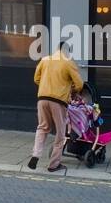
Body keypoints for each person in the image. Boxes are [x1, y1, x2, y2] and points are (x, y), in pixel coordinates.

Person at [28, 43, 84, 172]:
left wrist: (46, 86)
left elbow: (36, 79)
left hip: (42, 99)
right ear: (67, 51)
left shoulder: (45, 59)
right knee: (60, 133)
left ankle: (35, 155)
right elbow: (79, 84)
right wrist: (71, 89)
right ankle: (54, 164)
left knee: (42, 128)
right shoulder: (68, 62)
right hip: (58, 101)